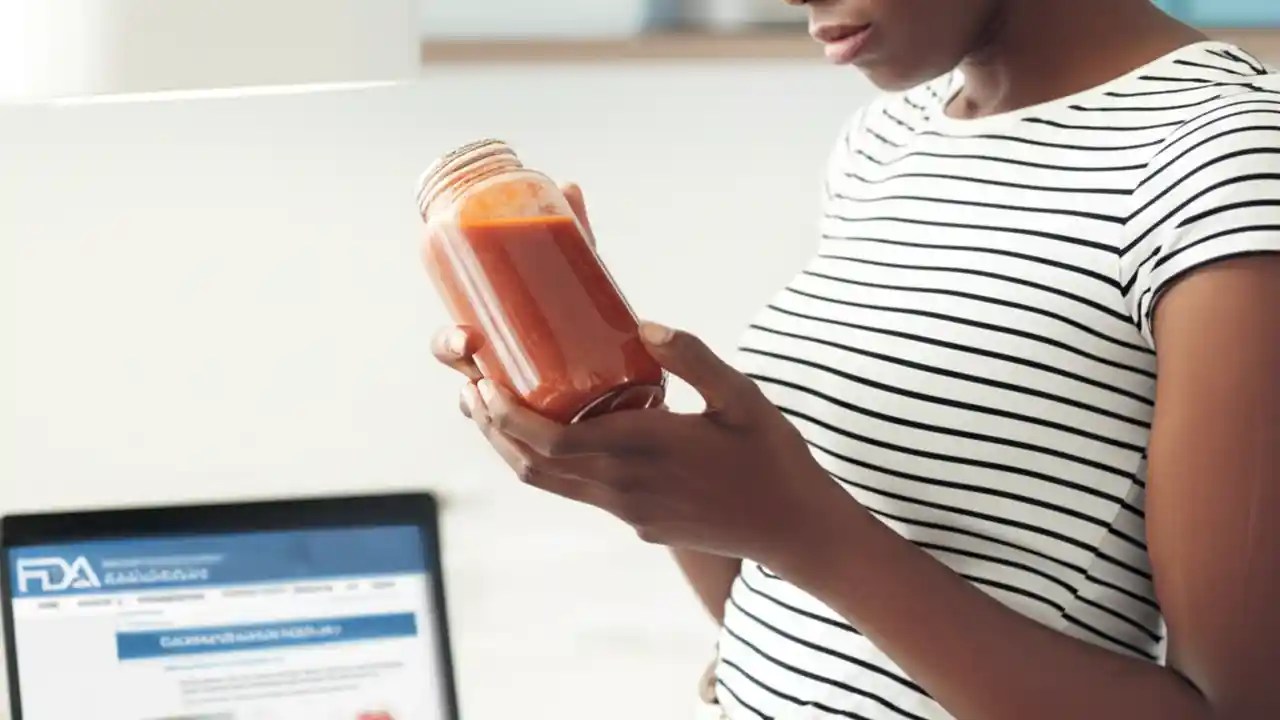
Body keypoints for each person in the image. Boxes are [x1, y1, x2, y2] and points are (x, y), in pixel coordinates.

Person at [431, 1, 1280, 718]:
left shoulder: (1227, 156)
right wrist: (625, 429)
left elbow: (1236, 708)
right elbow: (815, 607)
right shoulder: (885, 139)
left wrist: (801, 531)